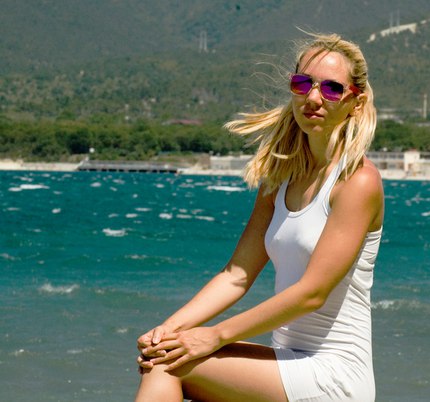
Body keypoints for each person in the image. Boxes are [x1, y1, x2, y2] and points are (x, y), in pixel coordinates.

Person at [135, 32, 384, 402]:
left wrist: (214, 335)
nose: (313, 98)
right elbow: (236, 275)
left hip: (335, 375)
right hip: (287, 361)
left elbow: (312, 294)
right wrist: (168, 330)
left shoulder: (358, 182)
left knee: (168, 366)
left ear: (355, 102)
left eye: (332, 88)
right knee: (164, 354)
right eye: (303, 84)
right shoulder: (279, 179)